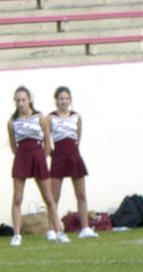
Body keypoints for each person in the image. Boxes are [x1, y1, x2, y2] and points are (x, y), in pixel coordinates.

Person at [7, 86, 65, 246]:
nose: (21, 103)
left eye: (23, 100)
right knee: (17, 198)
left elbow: (47, 140)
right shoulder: (12, 122)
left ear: (29, 100)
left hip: (38, 156)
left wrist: (42, 157)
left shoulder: (40, 117)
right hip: (22, 157)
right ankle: (17, 235)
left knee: (48, 197)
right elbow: (13, 146)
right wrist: (21, 157)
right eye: (18, 100)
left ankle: (58, 231)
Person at [47, 87, 95, 239]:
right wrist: (53, 155)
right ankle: (52, 230)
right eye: (61, 98)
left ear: (70, 100)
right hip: (58, 157)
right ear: (56, 100)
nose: (64, 101)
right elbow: (47, 140)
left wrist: (72, 152)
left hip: (74, 156)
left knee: (81, 194)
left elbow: (77, 138)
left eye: (67, 98)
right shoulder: (50, 118)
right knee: (54, 197)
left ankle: (85, 228)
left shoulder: (76, 116)